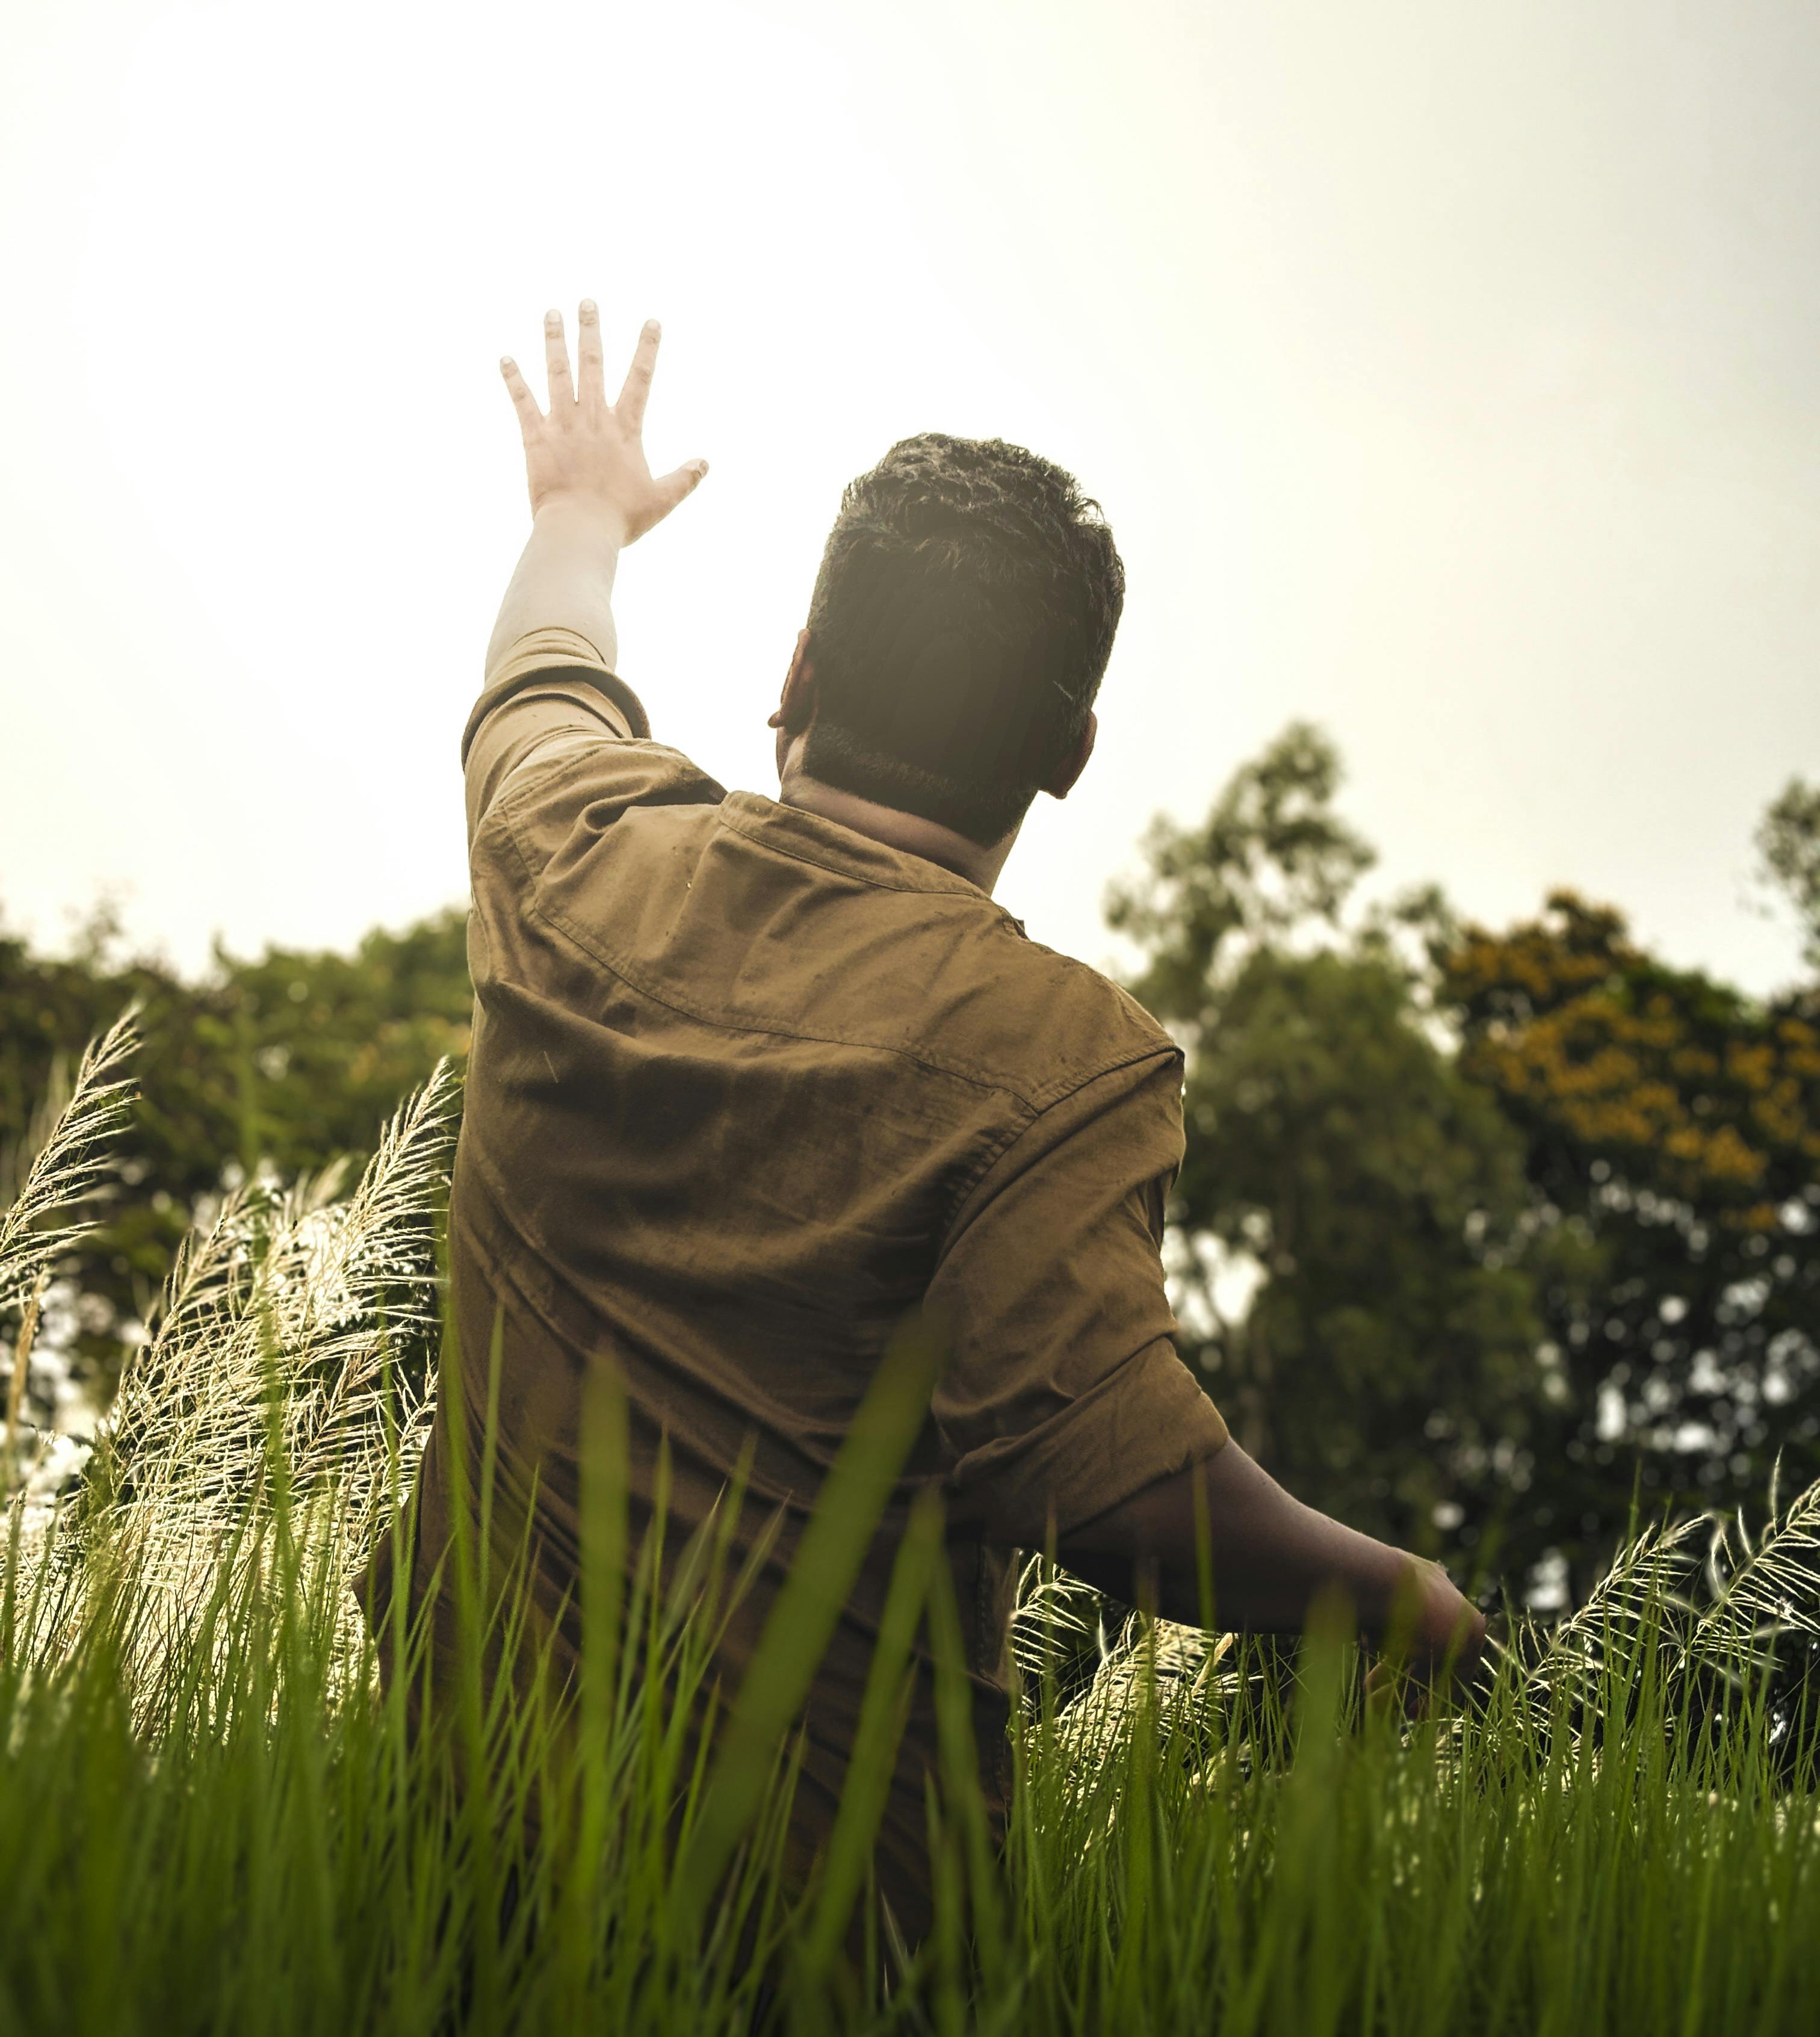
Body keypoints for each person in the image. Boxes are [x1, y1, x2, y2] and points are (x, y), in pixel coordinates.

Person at [374, 300, 1484, 1946]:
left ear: (799, 677)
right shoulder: (1057, 1058)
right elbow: (1117, 1496)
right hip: (819, 1997)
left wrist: (580, 511)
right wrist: (1407, 1603)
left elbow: (548, 665)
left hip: (442, 1904)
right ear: (1068, 753)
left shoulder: (571, 848)